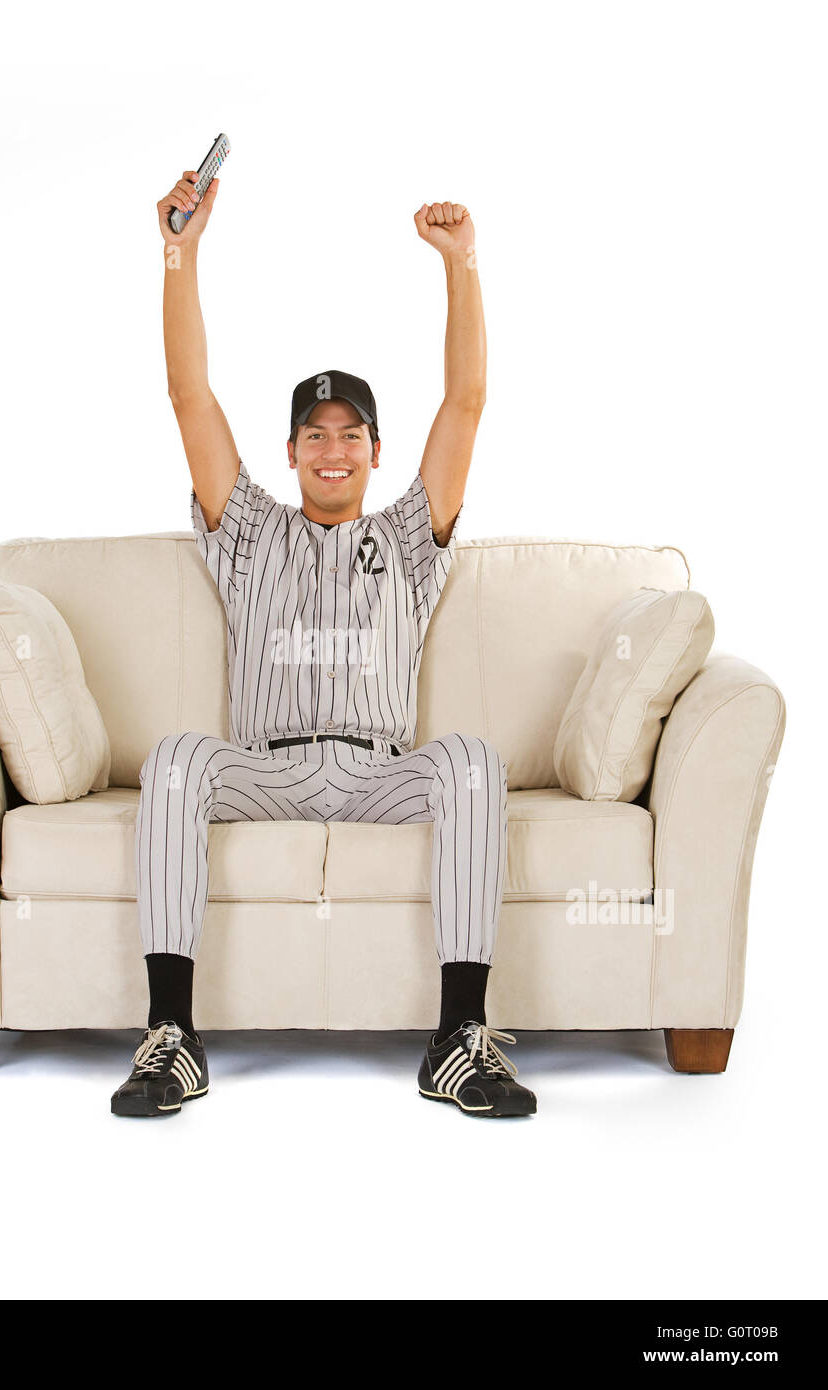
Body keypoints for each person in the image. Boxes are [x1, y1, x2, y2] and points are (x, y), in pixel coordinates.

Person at [110, 167, 536, 1120]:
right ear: (292, 449)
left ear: (375, 453)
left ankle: (458, 1039)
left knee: (470, 761)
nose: (333, 449)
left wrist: (462, 264)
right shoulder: (251, 528)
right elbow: (189, 396)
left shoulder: (406, 541)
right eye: (315, 434)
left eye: (352, 435)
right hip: (269, 771)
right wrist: (180, 249)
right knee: (175, 759)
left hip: (381, 774)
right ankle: (172, 1037)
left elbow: (465, 404)